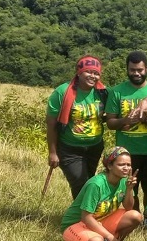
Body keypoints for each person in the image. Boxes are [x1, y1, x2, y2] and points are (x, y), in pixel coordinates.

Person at [46, 55, 108, 199]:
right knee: (79, 182)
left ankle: (84, 215)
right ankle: (81, 217)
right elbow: (51, 125)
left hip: (95, 146)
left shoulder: (103, 92)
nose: (92, 76)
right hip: (69, 148)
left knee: (89, 181)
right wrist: (53, 152)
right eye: (89, 72)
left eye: (96, 73)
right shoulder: (62, 92)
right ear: (79, 72)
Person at [59, 146, 143, 241]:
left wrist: (129, 189)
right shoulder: (96, 184)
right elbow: (86, 217)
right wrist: (109, 236)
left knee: (135, 216)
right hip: (77, 223)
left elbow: (128, 207)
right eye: (121, 164)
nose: (126, 168)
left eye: (128, 165)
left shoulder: (124, 180)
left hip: (100, 219)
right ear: (109, 166)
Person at [105, 51, 147, 211]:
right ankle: (133, 217)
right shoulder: (117, 91)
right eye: (132, 70)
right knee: (130, 188)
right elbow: (110, 123)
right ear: (127, 69)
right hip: (126, 153)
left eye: (140, 70)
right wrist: (126, 121)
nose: (136, 73)